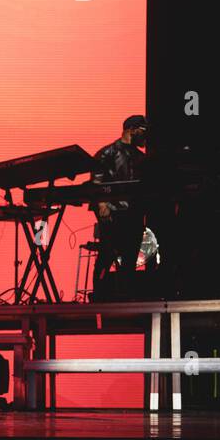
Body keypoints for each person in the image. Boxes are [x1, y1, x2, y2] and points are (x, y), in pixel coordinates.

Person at [90, 114, 148, 300]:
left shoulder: (141, 157)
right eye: (143, 131)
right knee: (107, 253)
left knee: (130, 256)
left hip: (134, 213)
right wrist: (102, 206)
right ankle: (99, 294)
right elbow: (96, 182)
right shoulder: (107, 152)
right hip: (112, 213)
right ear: (131, 129)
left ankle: (126, 294)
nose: (145, 136)